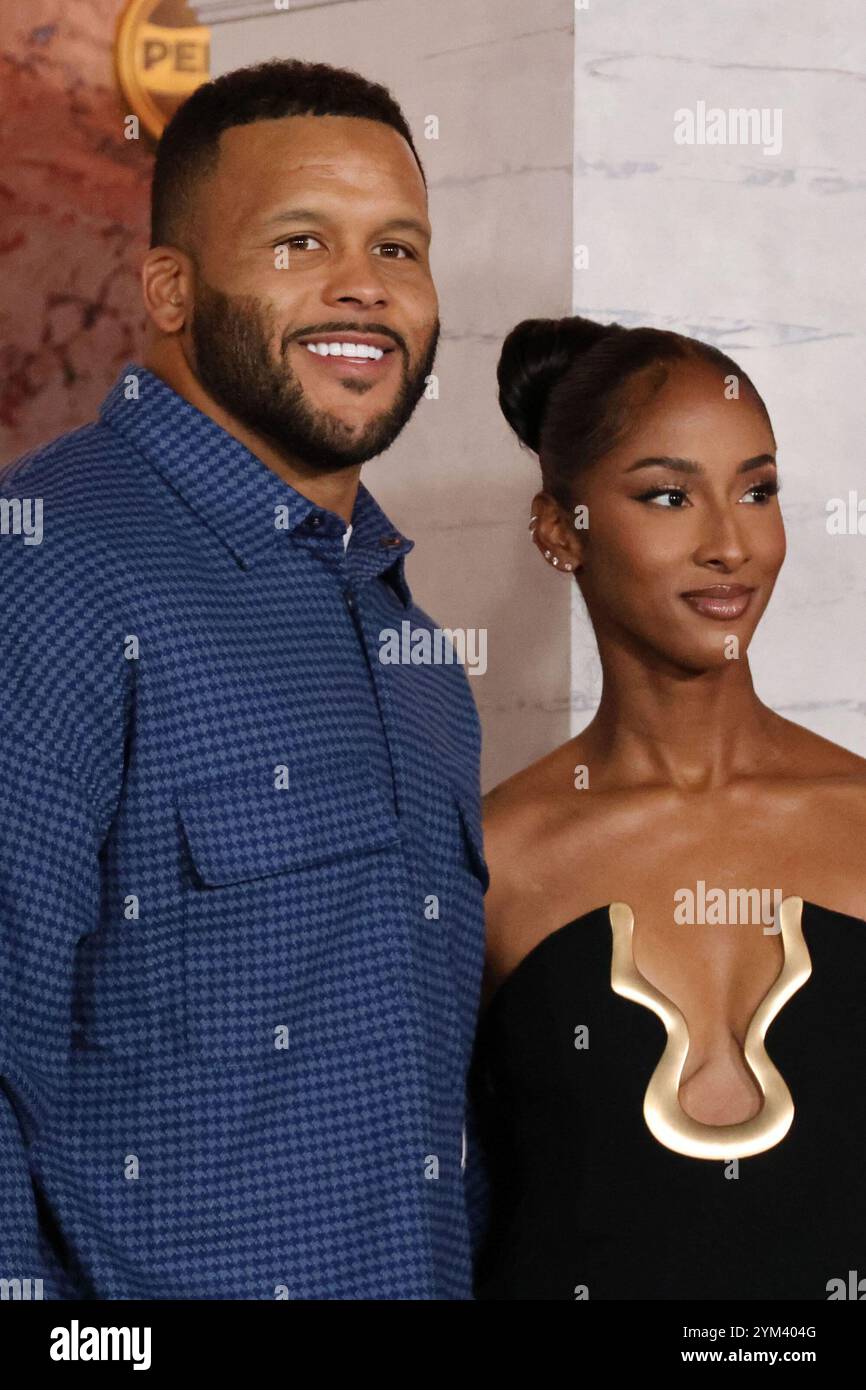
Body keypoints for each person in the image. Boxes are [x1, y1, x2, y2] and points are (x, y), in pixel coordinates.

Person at [0, 59, 489, 1300]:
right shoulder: (52, 567)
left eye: (398, 247)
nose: (362, 288)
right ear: (169, 287)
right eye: (298, 242)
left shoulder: (414, 647)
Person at [469, 315, 866, 1300]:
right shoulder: (492, 856)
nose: (730, 544)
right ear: (560, 529)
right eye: (666, 496)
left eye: (756, 490)